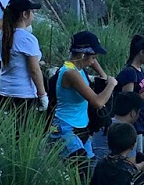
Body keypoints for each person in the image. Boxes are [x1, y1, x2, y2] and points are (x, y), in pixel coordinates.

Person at [50, 30, 117, 161]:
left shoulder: (78, 69)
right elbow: (97, 102)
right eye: (93, 58)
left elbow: (92, 62)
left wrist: (103, 75)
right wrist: (111, 84)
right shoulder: (70, 73)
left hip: (81, 126)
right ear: (82, 55)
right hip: (66, 126)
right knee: (80, 169)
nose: (93, 62)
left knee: (89, 168)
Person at [0, 0, 46, 121]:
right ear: (25, 14)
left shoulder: (6, 35)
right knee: (21, 133)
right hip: (23, 94)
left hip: (5, 90)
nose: (33, 15)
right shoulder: (27, 39)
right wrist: (42, 94)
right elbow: (34, 70)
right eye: (31, 12)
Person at [116, 35, 144, 164]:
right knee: (136, 161)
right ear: (141, 52)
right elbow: (127, 102)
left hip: (142, 122)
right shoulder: (130, 72)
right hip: (133, 125)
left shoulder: (141, 71)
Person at [89, 91, 144, 163]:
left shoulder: (103, 124)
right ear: (133, 113)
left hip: (94, 168)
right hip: (114, 171)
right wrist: (143, 166)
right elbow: (130, 164)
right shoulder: (127, 132)